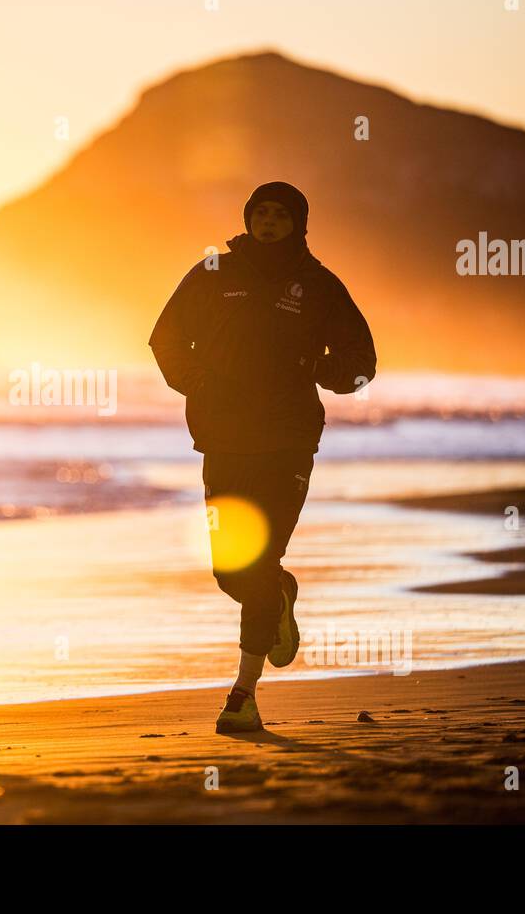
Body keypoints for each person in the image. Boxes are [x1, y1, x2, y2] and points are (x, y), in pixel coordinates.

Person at [149, 181, 376, 734]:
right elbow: (166, 338)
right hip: (223, 440)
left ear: (298, 224)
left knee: (260, 559)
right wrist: (197, 380)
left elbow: (361, 361)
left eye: (280, 215)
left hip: (288, 441)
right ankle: (278, 595)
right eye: (261, 213)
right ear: (248, 219)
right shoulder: (212, 273)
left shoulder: (319, 284)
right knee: (232, 571)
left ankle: (243, 697)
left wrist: (319, 369)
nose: (268, 222)